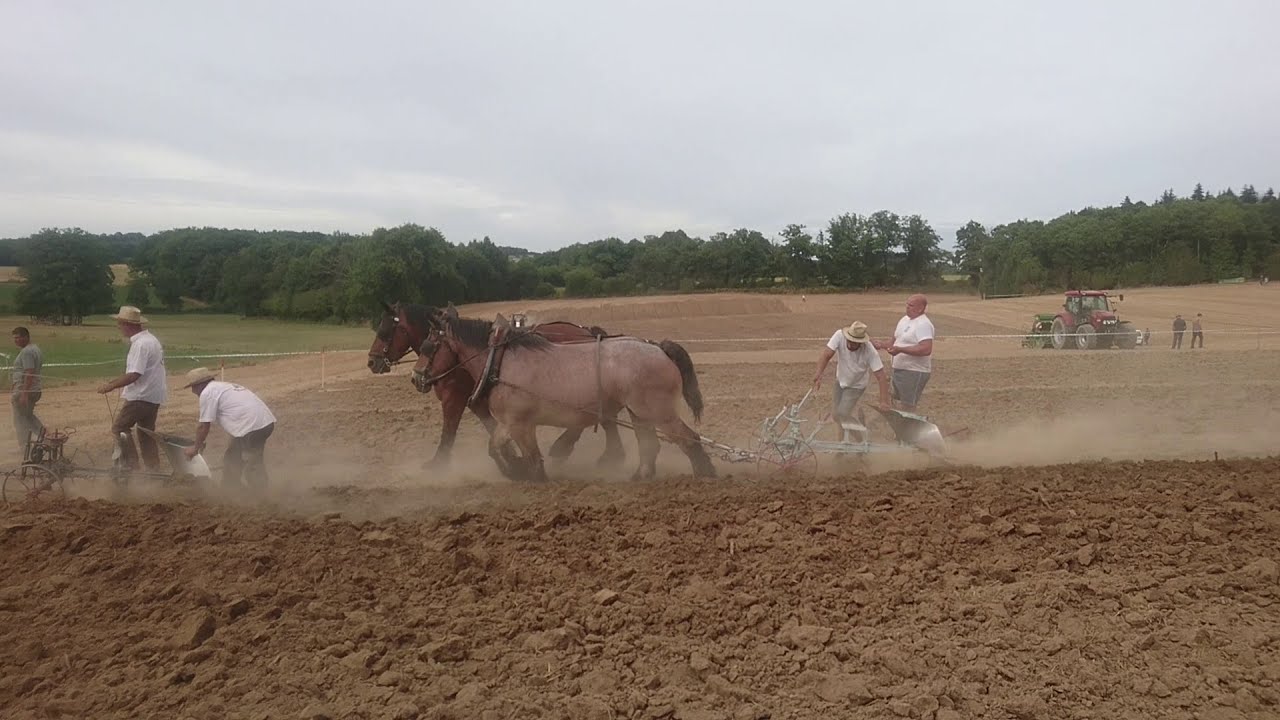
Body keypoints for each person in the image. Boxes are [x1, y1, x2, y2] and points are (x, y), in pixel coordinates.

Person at [180, 367, 277, 488]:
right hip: (263, 421)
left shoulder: (207, 393)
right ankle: (230, 488)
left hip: (251, 426)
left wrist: (195, 448)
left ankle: (261, 494)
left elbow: (203, 426)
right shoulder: (222, 386)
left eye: (193, 387)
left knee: (252, 462)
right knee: (233, 456)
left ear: (199, 385)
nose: (193, 391)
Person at [96, 306, 167, 471]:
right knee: (146, 433)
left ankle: (132, 466)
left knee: (119, 427)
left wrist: (110, 386)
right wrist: (113, 382)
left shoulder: (140, 344)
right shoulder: (151, 340)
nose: (118, 327)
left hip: (140, 395)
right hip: (153, 395)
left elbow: (134, 374)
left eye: (120, 324)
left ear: (128, 324)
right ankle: (153, 469)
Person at [813, 321, 891, 442]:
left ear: (861, 342)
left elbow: (881, 377)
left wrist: (883, 401)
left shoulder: (870, 351)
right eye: (849, 340)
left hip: (856, 385)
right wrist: (818, 375)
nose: (850, 344)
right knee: (836, 415)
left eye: (854, 342)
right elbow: (826, 355)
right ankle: (842, 442)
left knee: (842, 413)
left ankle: (861, 437)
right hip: (840, 380)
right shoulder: (839, 336)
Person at [873, 294, 935, 413]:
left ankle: (908, 425)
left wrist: (901, 350)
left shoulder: (924, 324)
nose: (907, 307)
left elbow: (926, 349)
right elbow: (893, 343)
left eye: (911, 305)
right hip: (898, 369)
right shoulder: (904, 320)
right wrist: (880, 344)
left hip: (914, 371)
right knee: (894, 401)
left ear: (920, 308)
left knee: (907, 406)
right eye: (907, 304)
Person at [11, 327, 44, 457]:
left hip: (26, 391)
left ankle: (25, 449)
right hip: (34, 389)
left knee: (20, 422)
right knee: (28, 416)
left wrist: (24, 393)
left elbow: (29, 372)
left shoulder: (26, 352)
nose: (15, 340)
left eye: (18, 337)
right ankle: (45, 436)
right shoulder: (35, 349)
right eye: (14, 338)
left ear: (26, 337)